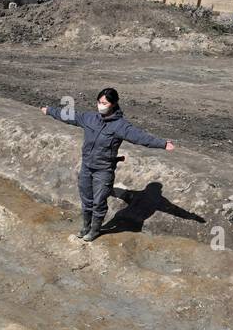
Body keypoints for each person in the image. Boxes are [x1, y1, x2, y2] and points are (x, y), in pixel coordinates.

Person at [42, 87, 175, 242]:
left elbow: (140, 137)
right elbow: (70, 115)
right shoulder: (90, 118)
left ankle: (94, 230)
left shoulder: (120, 126)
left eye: (104, 103)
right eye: (99, 102)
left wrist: (162, 144)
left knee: (98, 202)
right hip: (86, 167)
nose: (100, 105)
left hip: (103, 170)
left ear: (113, 104)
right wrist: (50, 110)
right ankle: (86, 226)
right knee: (86, 199)